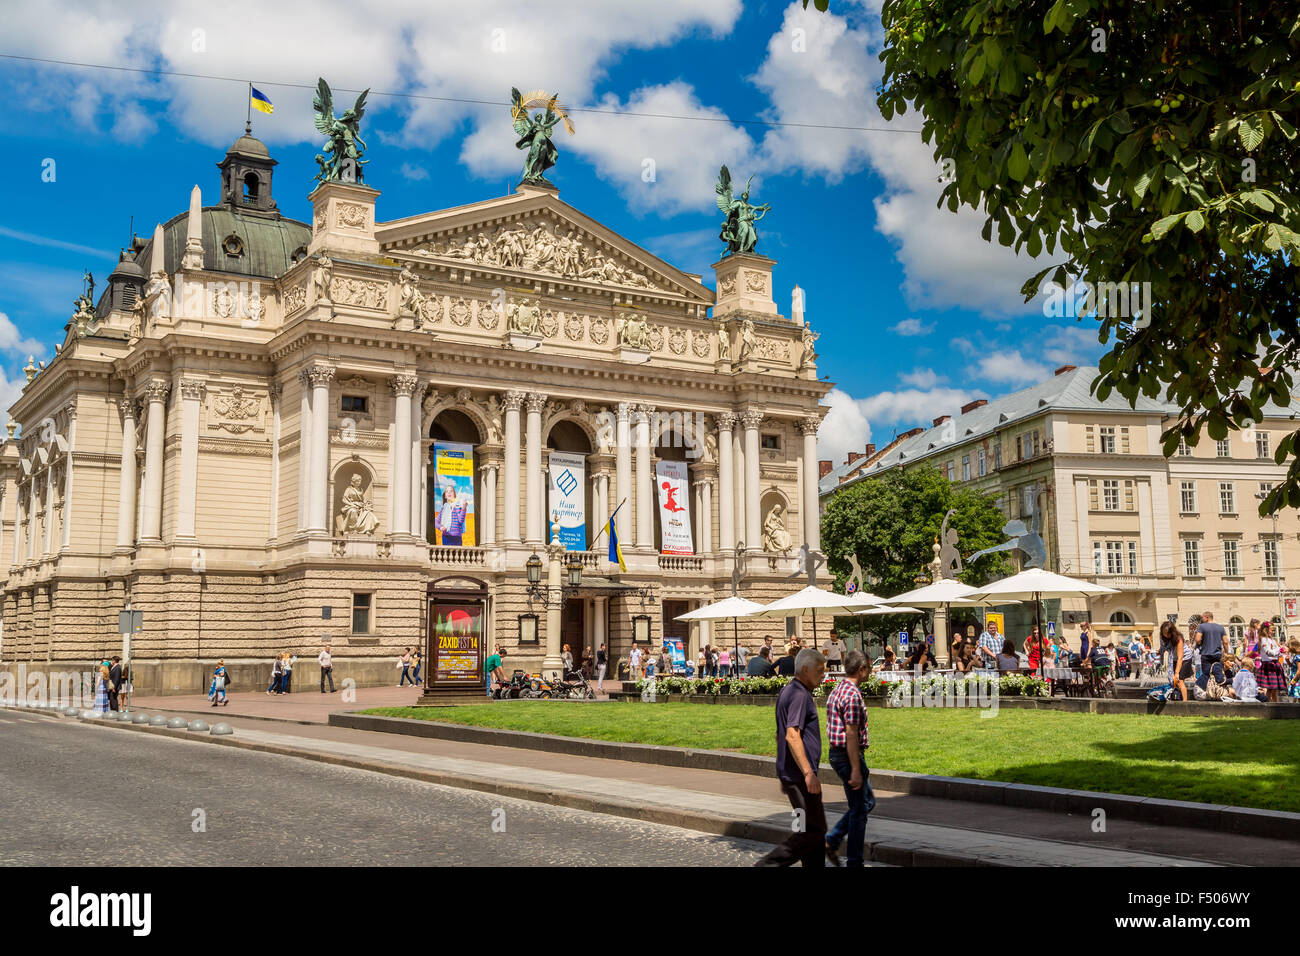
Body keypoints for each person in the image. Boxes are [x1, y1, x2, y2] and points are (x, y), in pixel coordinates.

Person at [756, 648, 828, 867]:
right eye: (819, 670)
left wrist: (782, 772)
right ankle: (767, 865)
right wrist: (808, 773)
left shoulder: (789, 690)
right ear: (805, 670)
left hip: (791, 775)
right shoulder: (798, 694)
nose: (823, 674)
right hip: (800, 777)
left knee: (808, 828)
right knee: (812, 831)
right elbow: (791, 734)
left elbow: (779, 735)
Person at [824, 649, 873, 868]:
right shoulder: (852, 695)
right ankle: (853, 860)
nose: (870, 673)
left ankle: (833, 840)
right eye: (869, 668)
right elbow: (851, 733)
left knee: (865, 803)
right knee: (860, 810)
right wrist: (855, 768)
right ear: (861, 669)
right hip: (847, 755)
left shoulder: (839, 688)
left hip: (837, 754)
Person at [1159, 620, 1191, 702]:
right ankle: (1176, 697)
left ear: (1172, 632)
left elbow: (1180, 657)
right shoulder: (1164, 638)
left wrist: (1176, 673)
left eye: (1167, 633)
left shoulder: (1178, 639)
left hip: (1185, 658)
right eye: (1163, 633)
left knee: (1179, 680)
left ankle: (1184, 702)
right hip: (1175, 658)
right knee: (1174, 681)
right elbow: (1166, 648)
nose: (1165, 635)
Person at [1194, 610, 1227, 689]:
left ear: (1207, 617)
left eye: (1203, 617)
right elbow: (1225, 642)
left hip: (1206, 654)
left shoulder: (1202, 626)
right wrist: (1226, 653)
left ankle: (1206, 691)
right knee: (1218, 673)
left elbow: (1197, 639)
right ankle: (1217, 690)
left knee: (1206, 674)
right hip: (1218, 655)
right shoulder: (1220, 627)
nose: (1202, 619)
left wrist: (1201, 644)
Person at [1256, 625, 1285, 702]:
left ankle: (1276, 706)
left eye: (1274, 630)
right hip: (1268, 665)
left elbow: (1278, 653)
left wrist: (1281, 651)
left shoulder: (1272, 640)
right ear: (1266, 630)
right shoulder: (1263, 640)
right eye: (1272, 630)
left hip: (1275, 664)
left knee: (1274, 689)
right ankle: (1268, 706)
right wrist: (1279, 650)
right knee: (1270, 689)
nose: (1273, 632)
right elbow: (1269, 653)